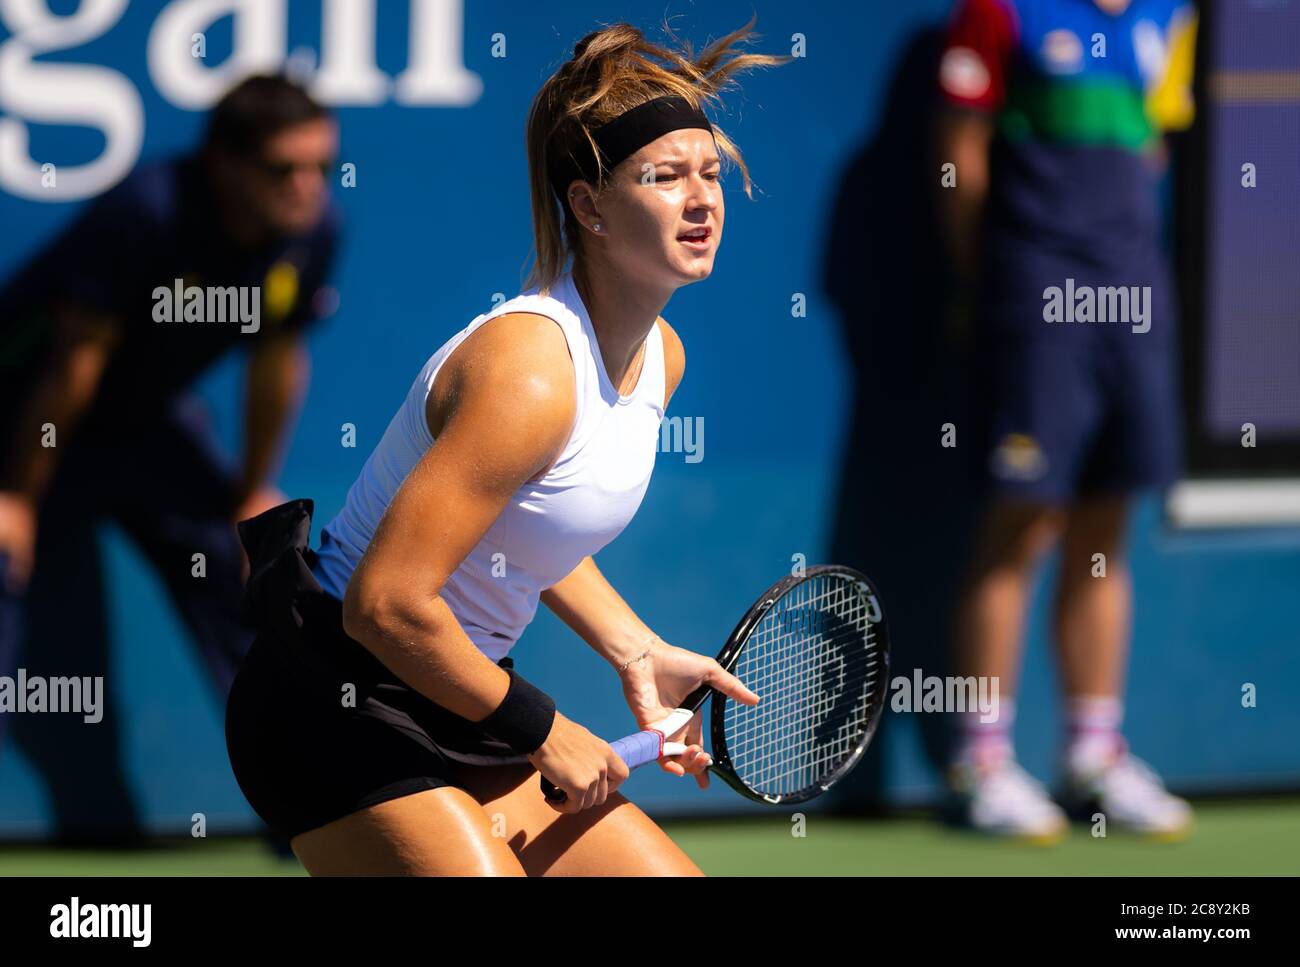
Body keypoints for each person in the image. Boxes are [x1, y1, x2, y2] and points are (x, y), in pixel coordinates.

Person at [224, 22, 785, 876]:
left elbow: (519, 528)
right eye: (665, 177)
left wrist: (635, 648)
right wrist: (544, 727)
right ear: (589, 205)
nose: (702, 199)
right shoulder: (528, 371)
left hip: (456, 696)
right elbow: (384, 604)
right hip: (331, 698)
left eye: (708, 172)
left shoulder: (660, 358)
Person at [0, 74, 342, 842]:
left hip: (142, 424)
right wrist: (15, 500)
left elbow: (275, 360)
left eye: (320, 166)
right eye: (284, 169)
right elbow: (71, 368)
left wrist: (250, 489)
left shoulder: (310, 230)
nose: (307, 187)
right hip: (26, 422)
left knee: (249, 577)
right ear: (224, 161)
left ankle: (316, 817)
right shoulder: (145, 213)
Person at [936, 0, 1197, 841]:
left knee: (1105, 519)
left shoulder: (1171, 11)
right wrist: (996, 279)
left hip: (1134, 288)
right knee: (1022, 522)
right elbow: (961, 151)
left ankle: (1093, 752)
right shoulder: (998, 9)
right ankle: (981, 760)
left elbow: (1152, 145)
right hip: (1034, 289)